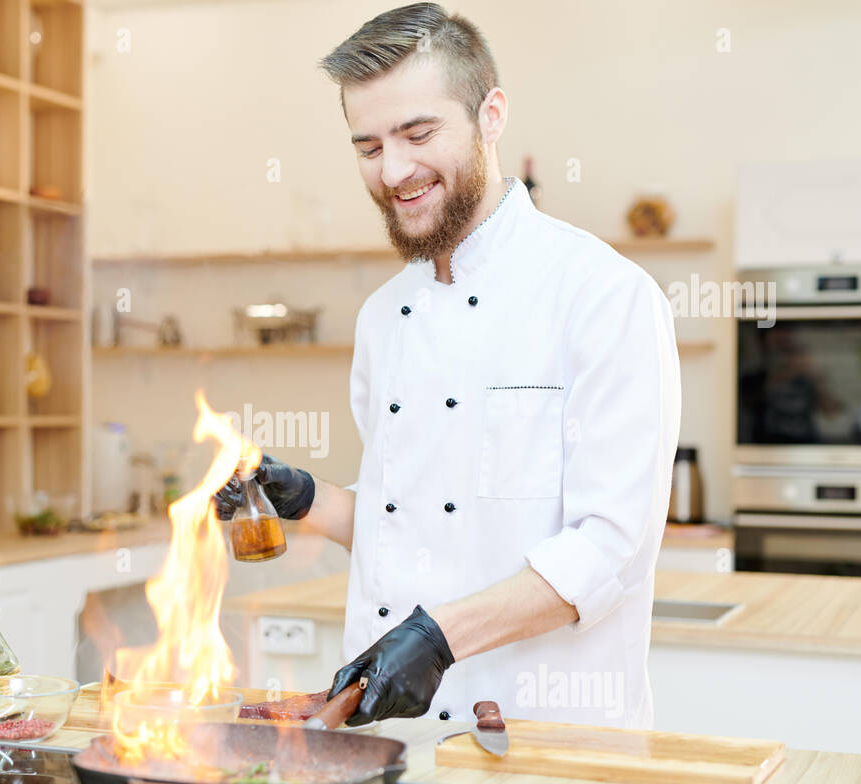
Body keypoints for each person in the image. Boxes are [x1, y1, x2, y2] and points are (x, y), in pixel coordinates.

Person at [215, 2, 680, 729]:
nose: (394, 170)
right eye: (368, 146)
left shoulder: (603, 296)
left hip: (546, 747)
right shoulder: (382, 318)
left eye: (417, 133)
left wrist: (438, 639)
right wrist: (307, 500)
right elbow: (410, 519)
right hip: (392, 741)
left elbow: (609, 552)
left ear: (491, 115)